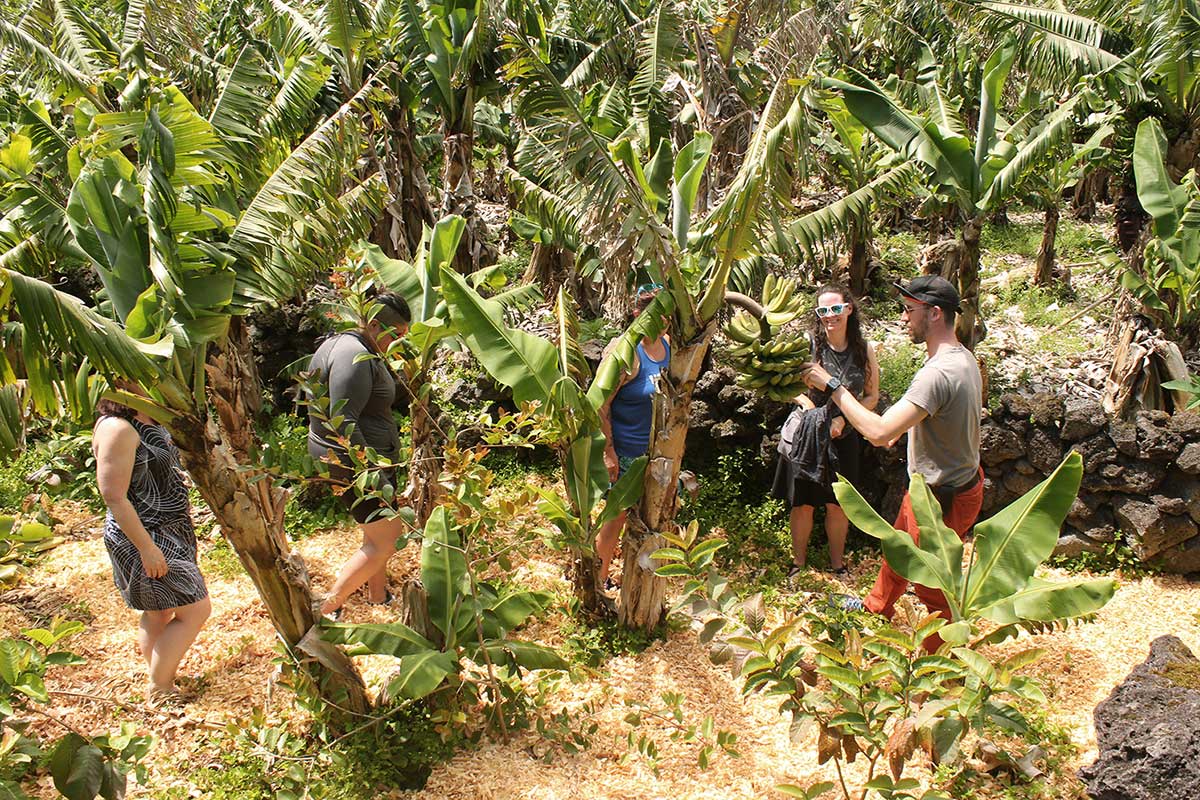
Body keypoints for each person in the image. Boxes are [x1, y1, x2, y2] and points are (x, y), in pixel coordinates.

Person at [802, 276, 983, 650]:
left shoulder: (937, 372)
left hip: (940, 498)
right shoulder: (961, 357)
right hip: (939, 486)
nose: (903, 318)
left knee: (931, 585)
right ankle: (876, 608)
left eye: (908, 310)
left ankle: (940, 665)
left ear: (934, 313)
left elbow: (878, 433)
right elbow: (941, 413)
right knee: (898, 548)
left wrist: (833, 387)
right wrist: (908, 426)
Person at [93, 392, 211, 706]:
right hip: (146, 536)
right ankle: (160, 688)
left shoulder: (149, 414)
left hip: (171, 530)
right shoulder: (119, 427)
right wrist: (146, 547)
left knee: (158, 611)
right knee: (196, 609)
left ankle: (161, 673)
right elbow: (113, 496)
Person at [307, 293, 411, 619]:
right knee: (387, 540)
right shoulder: (353, 355)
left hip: (364, 460)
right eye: (396, 335)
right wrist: (372, 475)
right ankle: (324, 609)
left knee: (374, 531)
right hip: (355, 464)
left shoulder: (350, 345)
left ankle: (377, 596)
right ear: (374, 324)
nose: (398, 343)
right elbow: (343, 421)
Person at [772, 284, 879, 577]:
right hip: (808, 433)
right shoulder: (809, 345)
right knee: (802, 503)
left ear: (849, 309)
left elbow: (871, 395)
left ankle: (837, 565)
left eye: (835, 308)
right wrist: (807, 405)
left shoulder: (863, 349)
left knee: (839, 503)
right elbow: (786, 384)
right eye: (823, 310)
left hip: (844, 435)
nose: (830, 315)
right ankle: (798, 564)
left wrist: (844, 419)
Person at [596, 283, 671, 588]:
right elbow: (600, 404)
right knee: (615, 518)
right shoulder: (626, 351)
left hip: (658, 452)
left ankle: (637, 581)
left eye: (666, 314)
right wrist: (608, 452)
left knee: (651, 518)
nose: (662, 320)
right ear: (638, 314)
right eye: (654, 313)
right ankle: (598, 580)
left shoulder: (668, 346)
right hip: (626, 452)